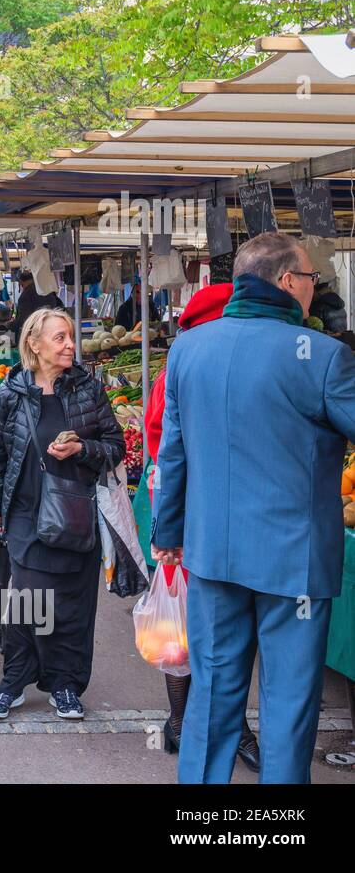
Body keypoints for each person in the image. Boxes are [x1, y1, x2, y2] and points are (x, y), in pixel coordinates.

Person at [152, 231, 355, 784]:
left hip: (213, 551)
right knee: (288, 702)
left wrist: (168, 533)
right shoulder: (325, 357)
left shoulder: (189, 348)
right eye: (313, 277)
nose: (315, 288)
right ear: (288, 282)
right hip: (296, 561)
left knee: (214, 690)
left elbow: (173, 455)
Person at [0, 307, 124, 721]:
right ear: (34, 344)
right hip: (26, 513)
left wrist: (83, 449)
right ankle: (13, 682)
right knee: (26, 601)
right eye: (60, 338)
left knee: (74, 606)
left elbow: (115, 445)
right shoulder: (10, 394)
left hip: (76, 514)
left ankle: (65, 685)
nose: (70, 345)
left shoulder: (88, 390)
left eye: (71, 337)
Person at [141, 281, 259, 772]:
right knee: (192, 622)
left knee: (205, 622)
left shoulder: (190, 361)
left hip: (205, 509)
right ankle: (189, 720)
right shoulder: (188, 368)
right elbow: (159, 442)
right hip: (190, 512)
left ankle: (203, 722)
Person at [10, 269, 64, 341]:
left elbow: (23, 320)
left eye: (21, 285)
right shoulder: (47, 291)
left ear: (22, 282)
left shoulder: (25, 296)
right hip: (51, 332)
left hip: (34, 335)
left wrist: (9, 325)